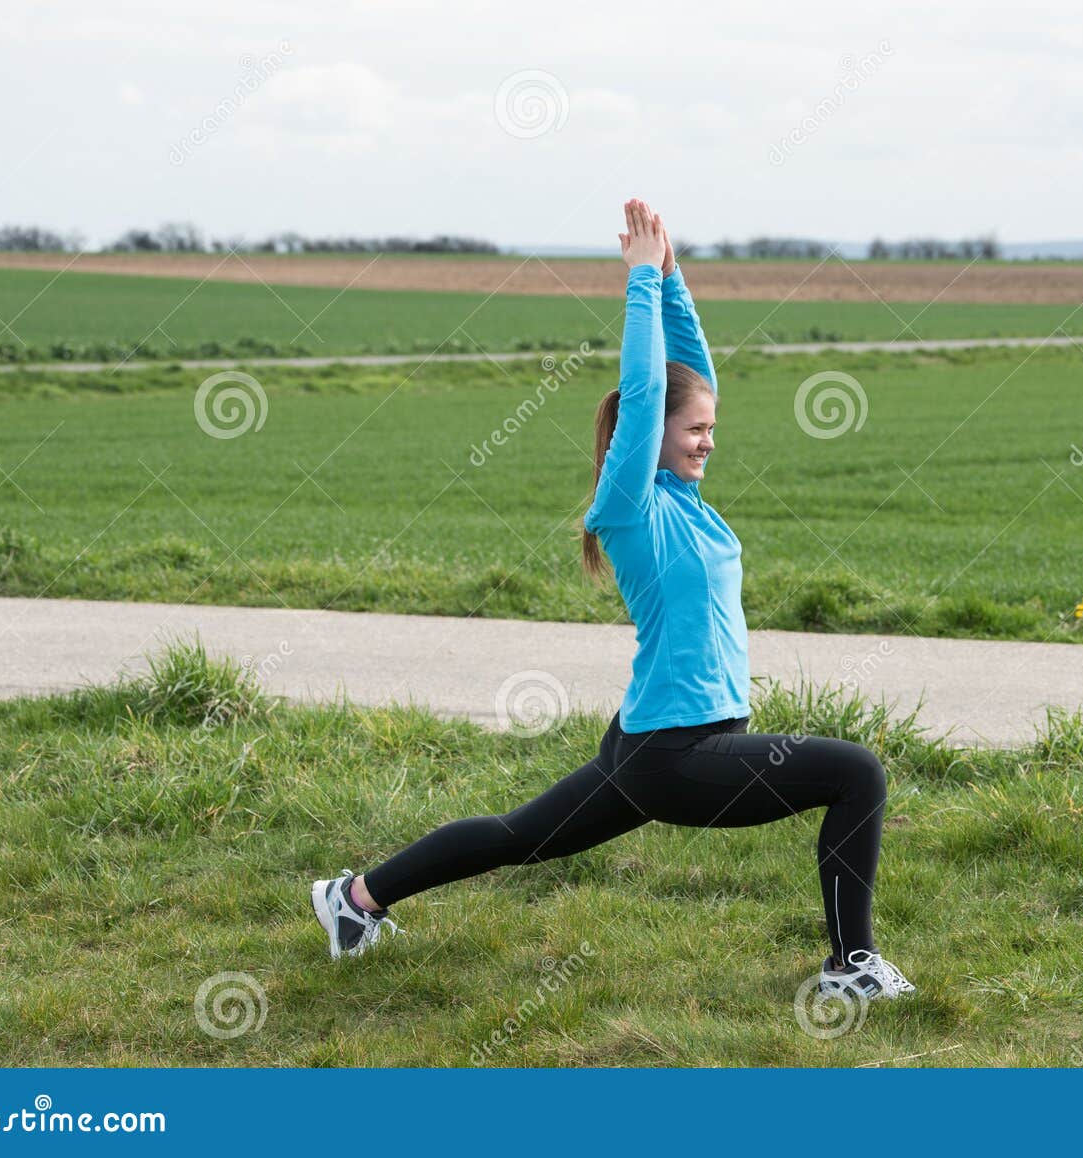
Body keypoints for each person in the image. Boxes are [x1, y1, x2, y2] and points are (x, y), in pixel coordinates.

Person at [312, 199, 915, 1001]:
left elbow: (690, 374)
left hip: (646, 744)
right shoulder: (632, 508)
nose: (708, 440)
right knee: (856, 774)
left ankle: (353, 901)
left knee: (516, 836)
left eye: (711, 428)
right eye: (694, 430)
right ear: (652, 436)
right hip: (677, 755)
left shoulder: (685, 498)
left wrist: (670, 275)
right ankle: (853, 968)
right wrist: (635, 282)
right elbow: (645, 388)